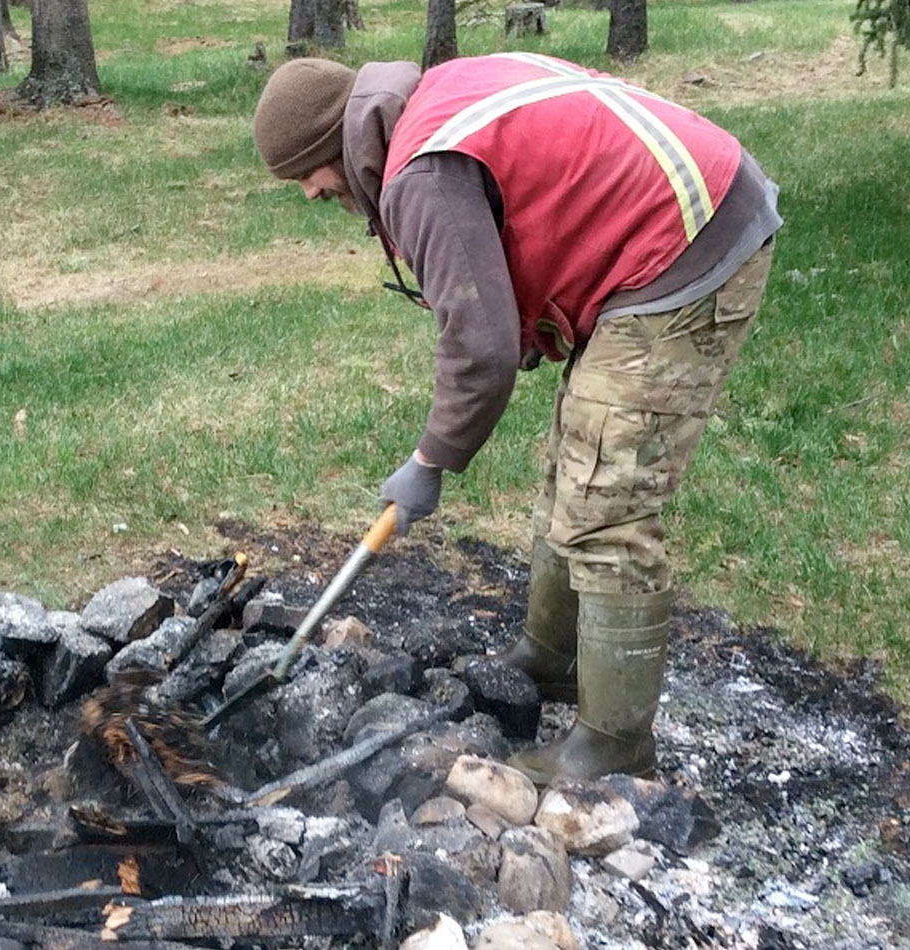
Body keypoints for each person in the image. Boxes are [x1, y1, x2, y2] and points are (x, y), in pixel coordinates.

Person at [251, 53, 781, 785]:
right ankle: (552, 658)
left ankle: (614, 743)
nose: (311, 194)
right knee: (575, 458)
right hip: (667, 230)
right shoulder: (420, 109)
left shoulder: (419, 174)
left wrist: (431, 461)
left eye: (305, 177)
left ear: (327, 147)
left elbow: (481, 345)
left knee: (607, 495)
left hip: (686, 243)